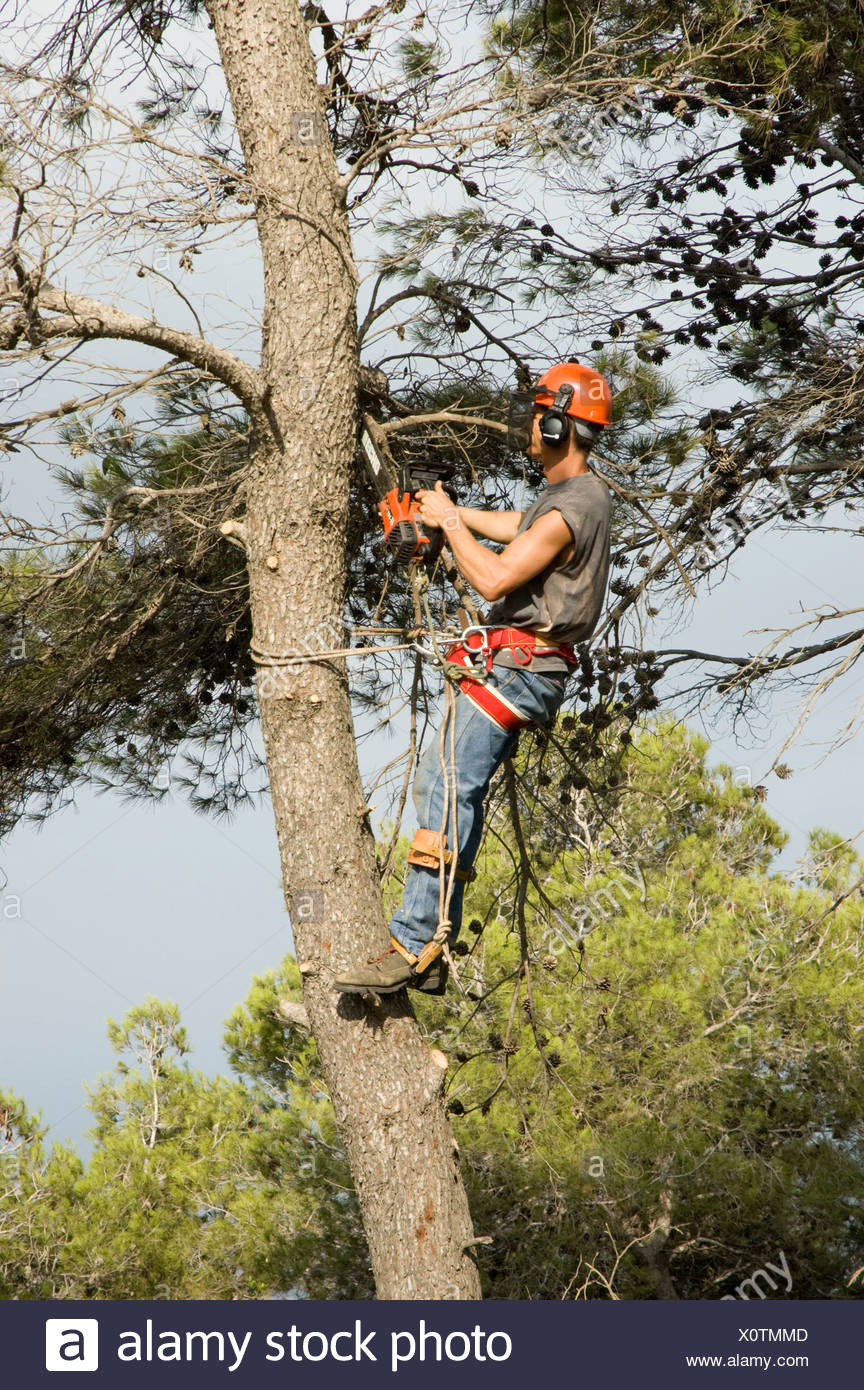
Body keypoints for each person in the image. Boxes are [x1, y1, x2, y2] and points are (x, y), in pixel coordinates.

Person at [334, 361, 613, 996]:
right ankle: (430, 940)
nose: (527, 431)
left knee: (448, 789)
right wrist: (451, 512)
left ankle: (417, 943)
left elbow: (493, 578)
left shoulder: (577, 504)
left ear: (556, 423)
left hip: (518, 667)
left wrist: (452, 526)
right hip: (515, 666)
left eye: (537, 419)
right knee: (447, 783)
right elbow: (517, 527)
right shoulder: (567, 500)